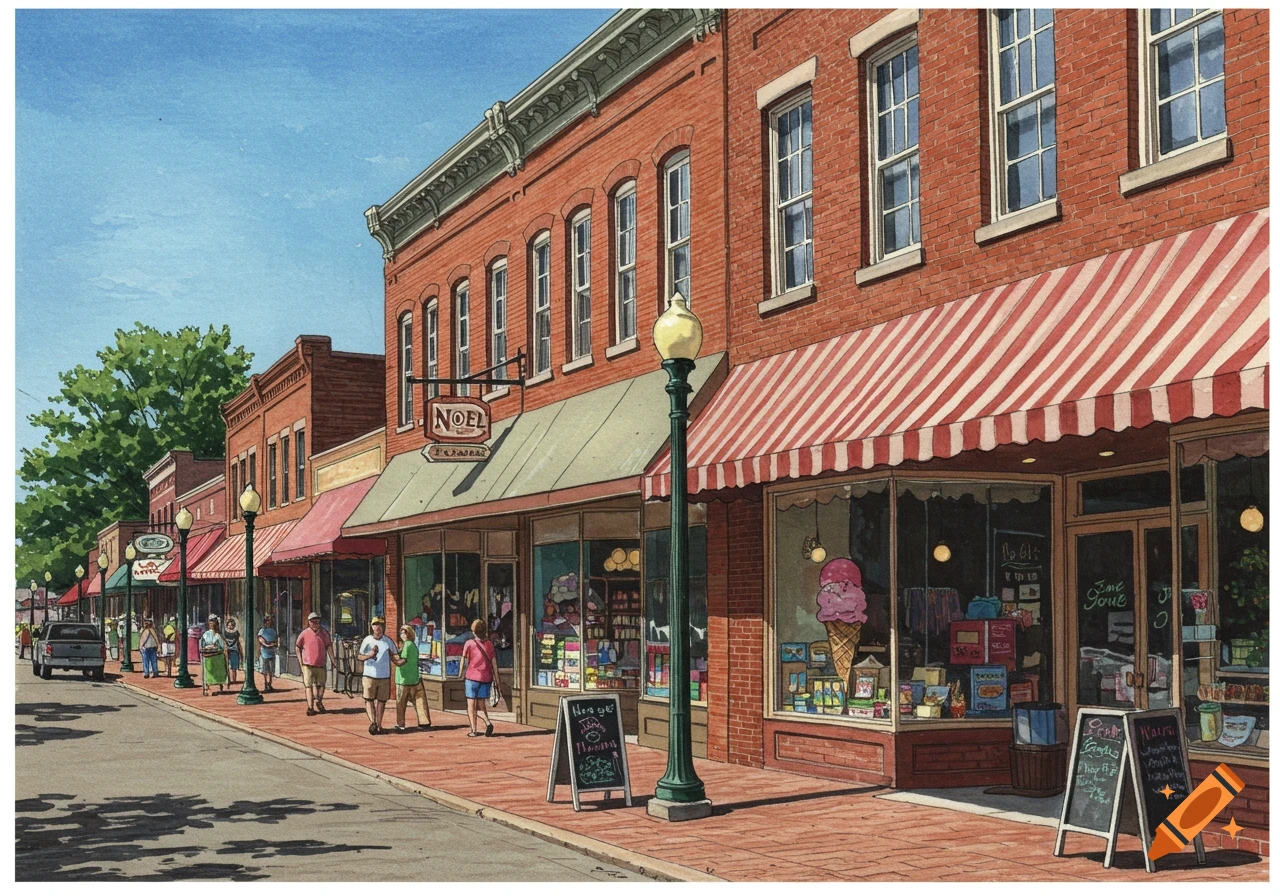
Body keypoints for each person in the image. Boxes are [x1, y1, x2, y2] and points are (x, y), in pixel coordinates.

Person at [459, 618, 502, 738]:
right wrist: (497, 681)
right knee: (481, 704)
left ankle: (474, 730)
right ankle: (487, 722)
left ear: (473, 631)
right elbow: (494, 664)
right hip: (486, 678)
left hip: (471, 677)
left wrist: (460, 673)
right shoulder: (489, 645)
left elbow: (464, 659)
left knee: (471, 705)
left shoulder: (469, 643)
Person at [356, 617, 397, 735]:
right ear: (372, 627)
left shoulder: (388, 641)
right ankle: (373, 722)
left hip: (384, 675)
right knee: (369, 699)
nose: (378, 627)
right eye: (375, 625)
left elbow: (394, 656)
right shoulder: (367, 640)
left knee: (382, 701)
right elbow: (359, 657)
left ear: (383, 627)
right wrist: (370, 655)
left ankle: (379, 724)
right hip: (369, 675)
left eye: (380, 625)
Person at [390, 624, 431, 731]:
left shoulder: (407, 645)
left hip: (404, 679)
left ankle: (400, 724)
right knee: (419, 701)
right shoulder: (412, 645)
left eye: (405, 633)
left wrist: (392, 658)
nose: (402, 635)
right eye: (401, 633)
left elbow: (401, 662)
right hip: (415, 678)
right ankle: (424, 722)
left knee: (400, 703)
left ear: (409, 634)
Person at [295, 611, 334, 717]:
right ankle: (310, 707)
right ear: (309, 622)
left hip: (321, 664)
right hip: (307, 664)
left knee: (321, 686)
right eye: (313, 622)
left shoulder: (324, 633)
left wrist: (333, 660)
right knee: (308, 686)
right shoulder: (304, 633)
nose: (315, 624)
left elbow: (329, 647)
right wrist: (300, 661)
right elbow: (298, 647)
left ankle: (319, 702)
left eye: (317, 622)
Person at [200, 615, 229, 695]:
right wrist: (206, 648)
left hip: (218, 655)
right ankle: (207, 687)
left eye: (213, 622)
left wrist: (219, 648)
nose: (211, 624)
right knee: (208, 671)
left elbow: (223, 646)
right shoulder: (206, 634)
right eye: (210, 622)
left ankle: (220, 685)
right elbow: (202, 645)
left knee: (218, 671)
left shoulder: (219, 635)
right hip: (208, 655)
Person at [257, 614, 279, 693]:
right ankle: (266, 683)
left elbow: (276, 641)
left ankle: (270, 683)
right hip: (264, 652)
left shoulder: (273, 631)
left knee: (271, 669)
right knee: (265, 669)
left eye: (269, 621)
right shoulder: (262, 631)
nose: (268, 622)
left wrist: (274, 644)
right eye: (267, 621)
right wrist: (259, 652)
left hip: (271, 652)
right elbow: (261, 641)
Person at [223, 617, 243, 685]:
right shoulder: (224, 633)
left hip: (234, 651)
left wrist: (241, 653)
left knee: (234, 667)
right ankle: (227, 679)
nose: (230, 626)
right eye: (229, 625)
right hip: (226, 650)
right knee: (226, 666)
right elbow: (223, 642)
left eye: (231, 625)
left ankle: (234, 680)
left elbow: (238, 643)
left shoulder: (236, 633)